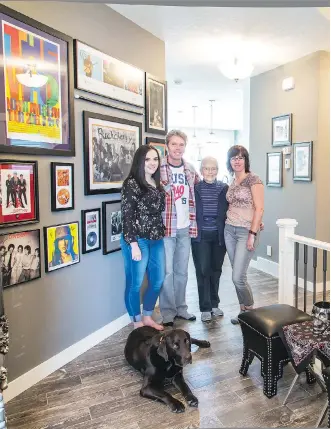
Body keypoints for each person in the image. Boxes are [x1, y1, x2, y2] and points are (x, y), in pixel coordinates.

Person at [120, 144, 165, 331]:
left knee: (158, 280)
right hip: (137, 240)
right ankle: (136, 320)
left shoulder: (157, 183)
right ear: (140, 161)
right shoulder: (131, 183)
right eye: (148, 159)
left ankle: (147, 316)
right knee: (135, 283)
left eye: (155, 159)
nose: (152, 163)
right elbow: (127, 216)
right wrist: (134, 245)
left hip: (156, 239)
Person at [159, 130, 200, 327]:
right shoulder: (158, 169)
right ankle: (167, 311)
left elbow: (200, 192)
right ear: (167, 146)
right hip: (167, 229)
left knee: (182, 271)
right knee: (167, 272)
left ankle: (181, 308)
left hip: (186, 228)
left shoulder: (190, 169)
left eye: (181, 144)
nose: (177, 148)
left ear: (185, 146)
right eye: (174, 144)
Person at [224, 145, 264, 324]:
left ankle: (250, 311)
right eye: (234, 158)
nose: (237, 161)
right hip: (229, 230)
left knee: (237, 277)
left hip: (245, 232)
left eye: (241, 157)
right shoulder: (232, 180)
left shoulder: (253, 179)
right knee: (238, 274)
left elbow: (259, 208)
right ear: (229, 161)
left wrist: (252, 233)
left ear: (246, 160)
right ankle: (243, 312)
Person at [191, 157, 228, 323]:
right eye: (206, 168)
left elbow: (235, 207)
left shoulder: (224, 188)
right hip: (200, 235)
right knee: (203, 271)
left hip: (219, 235)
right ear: (201, 170)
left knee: (216, 270)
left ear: (218, 170)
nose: (210, 171)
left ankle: (215, 303)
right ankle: (205, 307)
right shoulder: (195, 188)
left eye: (213, 168)